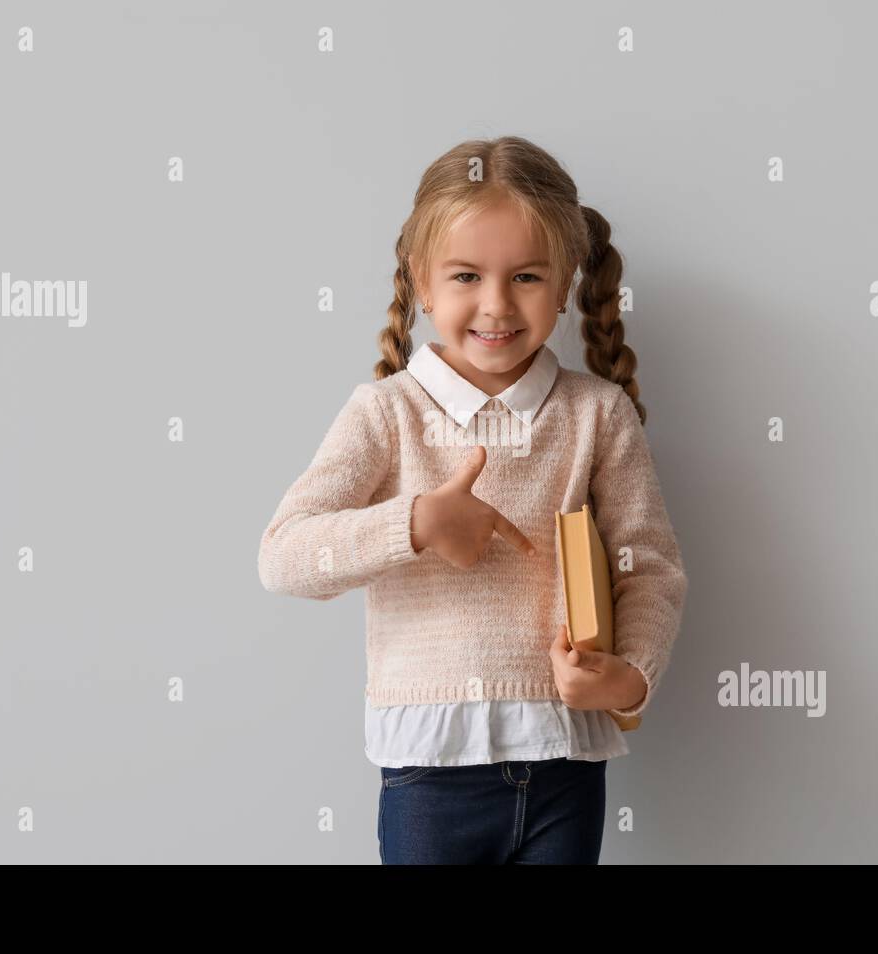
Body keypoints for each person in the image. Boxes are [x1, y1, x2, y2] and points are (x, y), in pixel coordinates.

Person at [259, 135, 688, 864]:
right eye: (465, 276)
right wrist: (414, 524)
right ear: (422, 284)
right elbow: (285, 557)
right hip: (430, 773)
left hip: (565, 765)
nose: (495, 305)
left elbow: (648, 567)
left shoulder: (596, 413)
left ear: (564, 283)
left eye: (525, 275)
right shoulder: (385, 414)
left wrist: (630, 676)